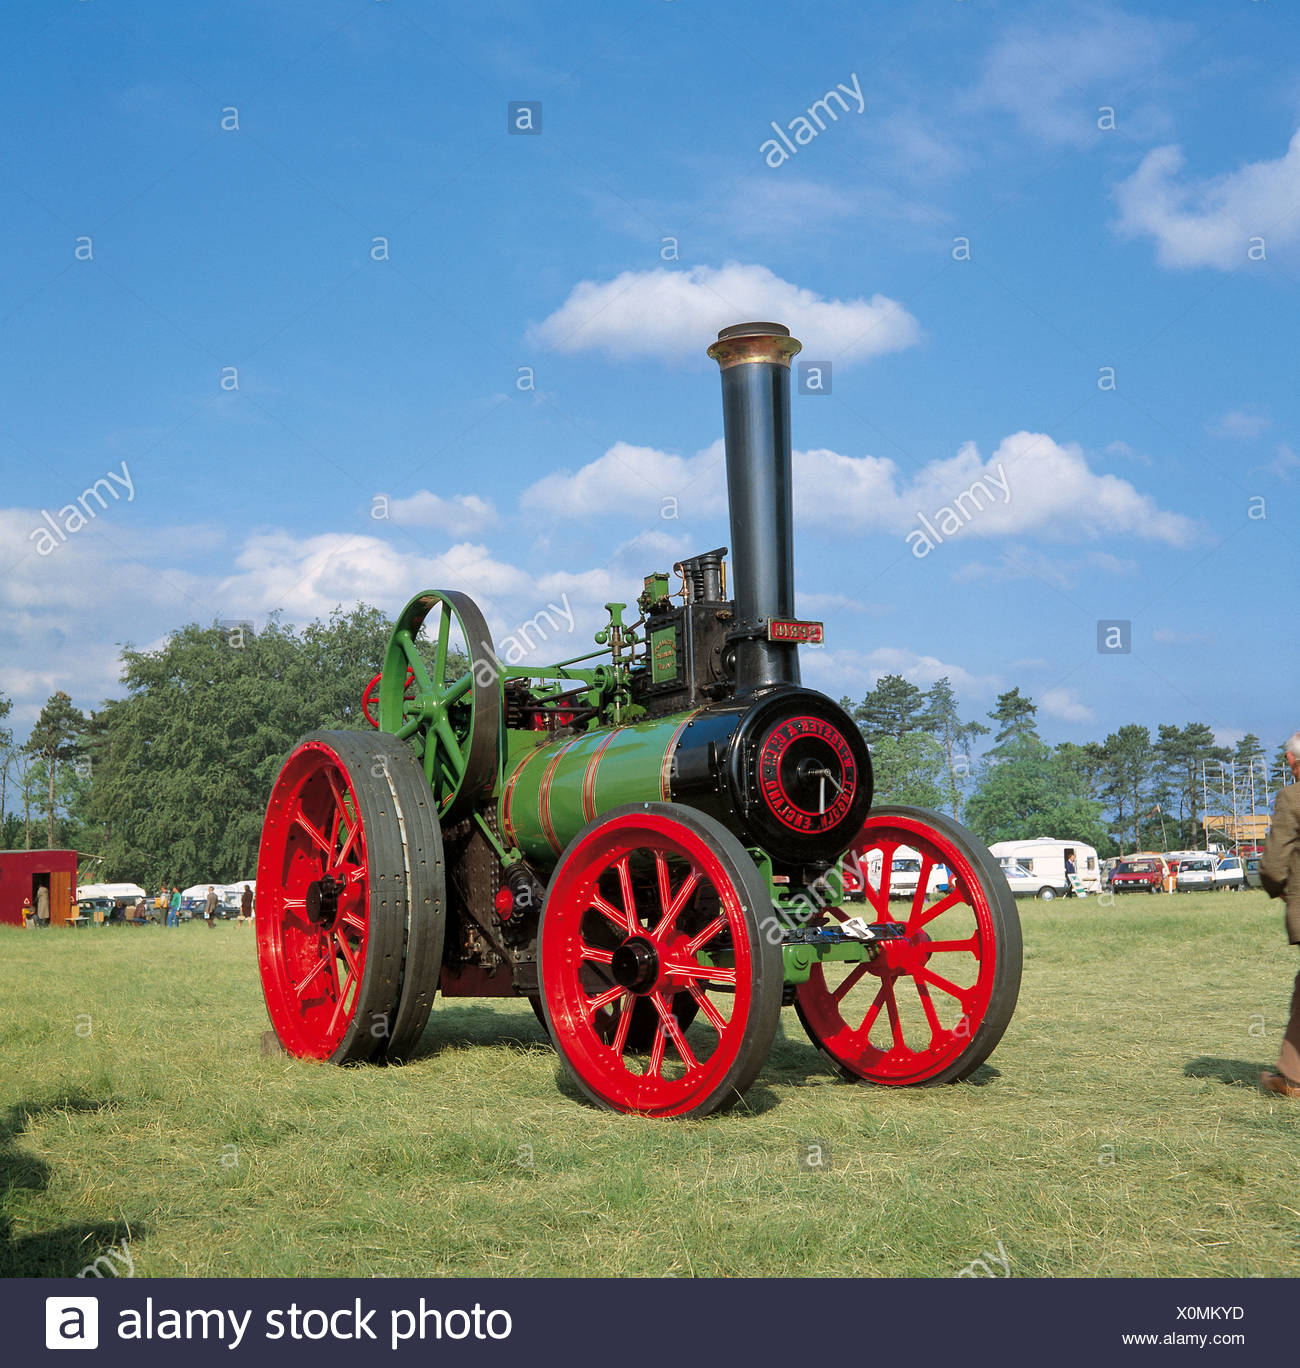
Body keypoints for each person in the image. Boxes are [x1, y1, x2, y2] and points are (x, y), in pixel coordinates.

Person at [1259, 730, 1300, 1098]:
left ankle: (1293, 1080)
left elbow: (1273, 865)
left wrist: (1281, 890)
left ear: (1291, 761)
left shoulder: (1292, 797)